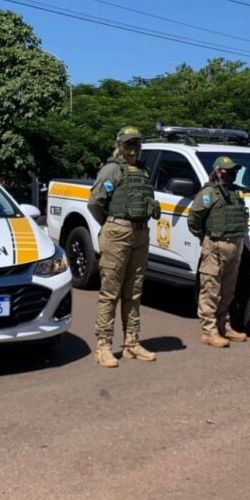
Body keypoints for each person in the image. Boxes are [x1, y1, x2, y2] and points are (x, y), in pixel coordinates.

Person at [87, 125, 161, 367]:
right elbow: (96, 202)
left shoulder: (143, 171)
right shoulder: (111, 169)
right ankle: (103, 347)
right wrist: (111, 224)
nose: (133, 149)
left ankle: (131, 343)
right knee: (110, 292)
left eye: (137, 144)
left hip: (141, 235)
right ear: (119, 145)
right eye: (128, 144)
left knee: (134, 292)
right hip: (118, 234)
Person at [187, 156, 250, 348]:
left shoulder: (235, 192)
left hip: (235, 246)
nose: (232, 173)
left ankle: (224, 325)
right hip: (215, 245)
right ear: (219, 171)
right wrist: (204, 238)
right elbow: (194, 218)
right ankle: (209, 331)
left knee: (228, 290)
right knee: (211, 290)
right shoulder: (210, 192)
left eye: (234, 170)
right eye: (228, 170)